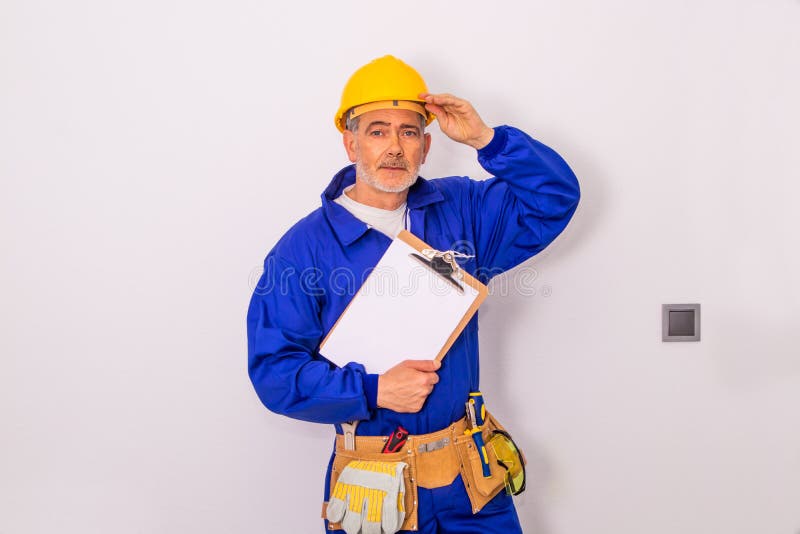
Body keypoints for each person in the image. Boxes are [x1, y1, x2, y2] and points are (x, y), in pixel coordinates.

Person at [247, 55, 580, 534]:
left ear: (426, 146)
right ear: (350, 143)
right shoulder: (303, 250)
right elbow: (275, 374)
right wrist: (375, 390)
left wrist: (487, 140)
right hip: (375, 484)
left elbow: (554, 198)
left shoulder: (461, 209)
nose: (394, 147)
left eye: (408, 132)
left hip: (470, 478)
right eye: (377, 131)